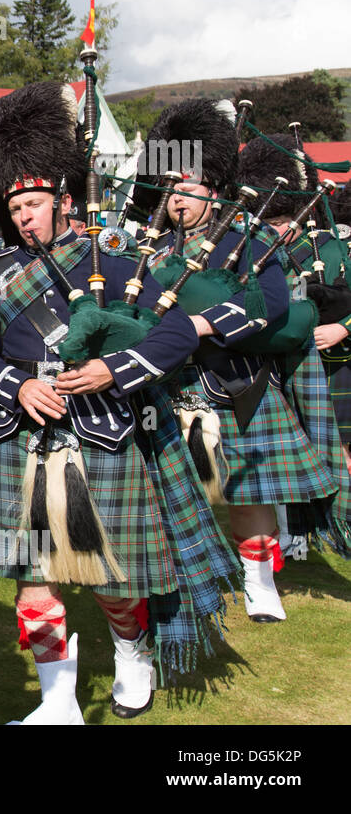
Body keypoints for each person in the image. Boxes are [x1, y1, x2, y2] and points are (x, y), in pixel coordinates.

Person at [0, 82, 238, 723]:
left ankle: (131, 654)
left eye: (34, 202)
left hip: (105, 431)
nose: (24, 216)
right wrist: (17, 384)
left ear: (62, 198)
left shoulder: (118, 263)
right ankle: (56, 702)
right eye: (16, 207)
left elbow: (175, 330)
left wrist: (113, 368)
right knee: (34, 586)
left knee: (113, 578)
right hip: (27, 437)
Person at [144, 100, 343, 624]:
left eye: (187, 187)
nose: (178, 199)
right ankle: (185, 577)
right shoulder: (156, 248)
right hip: (171, 384)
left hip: (239, 381)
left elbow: (272, 302)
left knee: (247, 489)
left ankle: (259, 582)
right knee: (171, 491)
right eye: (170, 189)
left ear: (211, 186)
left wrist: (202, 323)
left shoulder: (247, 235)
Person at [237, 133, 351, 560]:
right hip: (274, 366)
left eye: (283, 221)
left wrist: (342, 328)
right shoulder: (250, 255)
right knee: (284, 457)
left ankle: (335, 526)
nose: (276, 229)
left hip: (333, 367)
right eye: (271, 221)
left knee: (336, 452)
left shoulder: (330, 249)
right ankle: (294, 535)